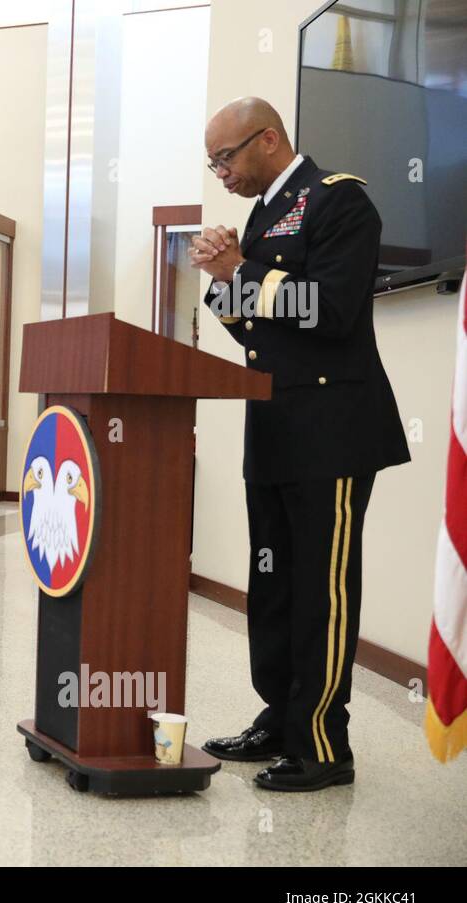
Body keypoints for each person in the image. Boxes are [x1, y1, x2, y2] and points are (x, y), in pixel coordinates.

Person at [193, 97, 410, 793]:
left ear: (269, 140)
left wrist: (240, 274)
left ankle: (323, 744)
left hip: (333, 431)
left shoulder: (340, 202)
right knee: (275, 586)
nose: (219, 173)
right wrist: (223, 288)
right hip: (276, 426)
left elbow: (330, 307)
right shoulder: (262, 217)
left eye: (225, 158)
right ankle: (280, 720)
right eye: (213, 163)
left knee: (321, 588)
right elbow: (257, 331)